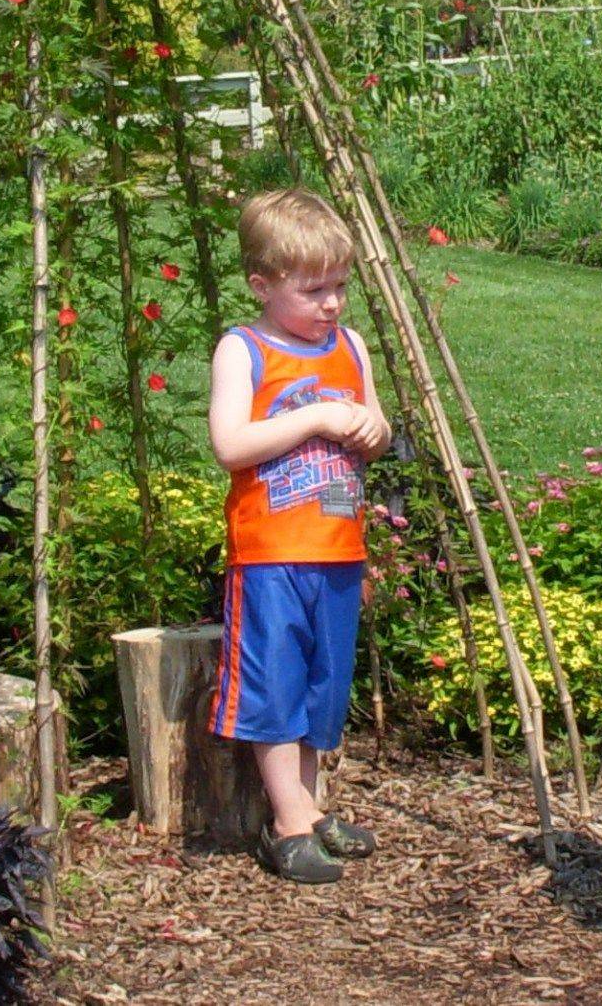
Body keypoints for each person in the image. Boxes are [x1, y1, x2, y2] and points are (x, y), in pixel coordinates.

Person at [206, 187, 391, 884]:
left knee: (322, 686)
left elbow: (377, 428)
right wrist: (315, 418)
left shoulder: (351, 346)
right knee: (275, 684)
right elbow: (231, 444)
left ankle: (310, 810)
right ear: (263, 284)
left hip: (338, 550)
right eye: (313, 290)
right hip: (271, 554)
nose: (332, 303)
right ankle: (285, 822)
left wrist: (371, 430)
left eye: (340, 286)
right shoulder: (244, 349)